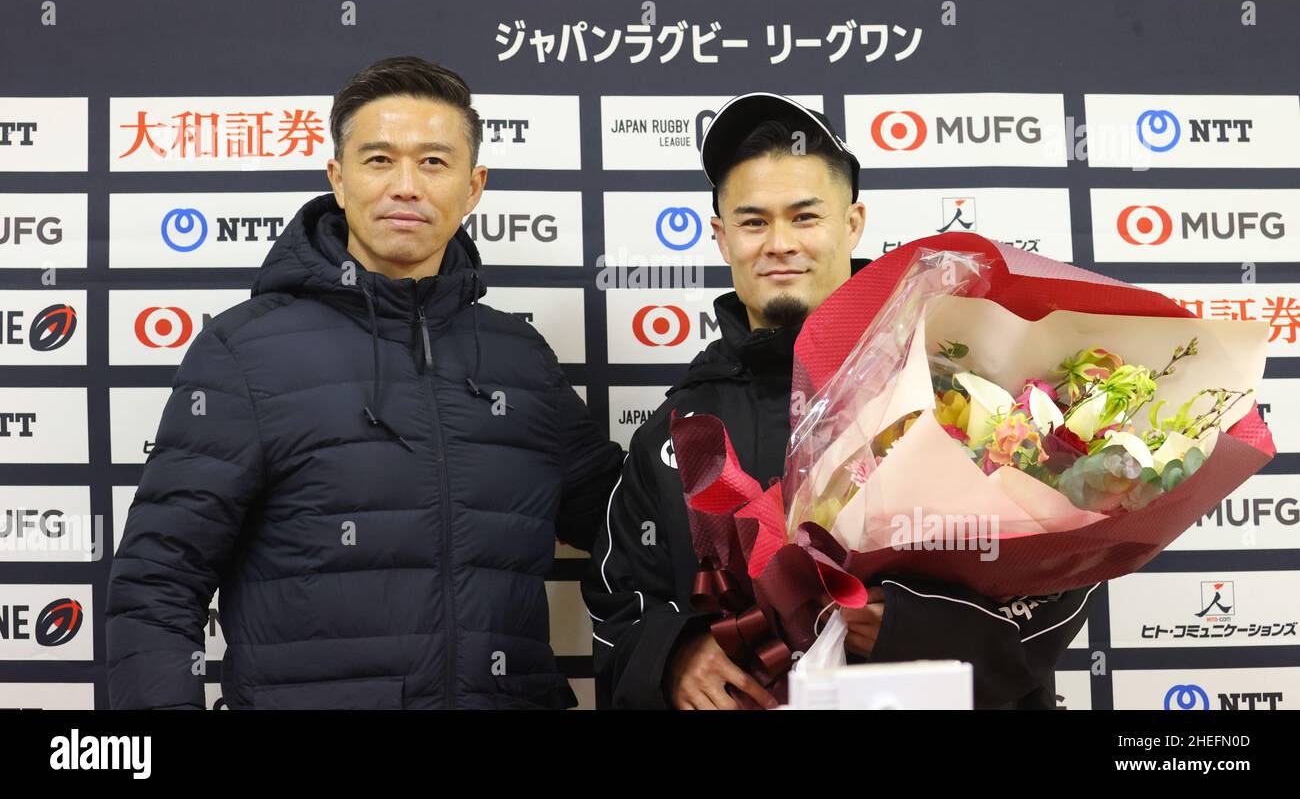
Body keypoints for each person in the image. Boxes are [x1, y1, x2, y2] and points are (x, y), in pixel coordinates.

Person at [107, 55, 623, 709]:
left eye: (434, 162)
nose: (406, 185)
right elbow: (158, 581)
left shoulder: (519, 358)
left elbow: (624, 517)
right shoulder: (245, 351)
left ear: (474, 187)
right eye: (379, 160)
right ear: (338, 179)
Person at [582, 92, 1095, 710]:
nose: (779, 243)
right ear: (721, 237)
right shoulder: (677, 430)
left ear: (852, 224)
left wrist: (919, 629)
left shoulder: (957, 377)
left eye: (805, 217)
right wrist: (675, 655)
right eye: (753, 222)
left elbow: (1065, 572)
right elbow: (617, 597)